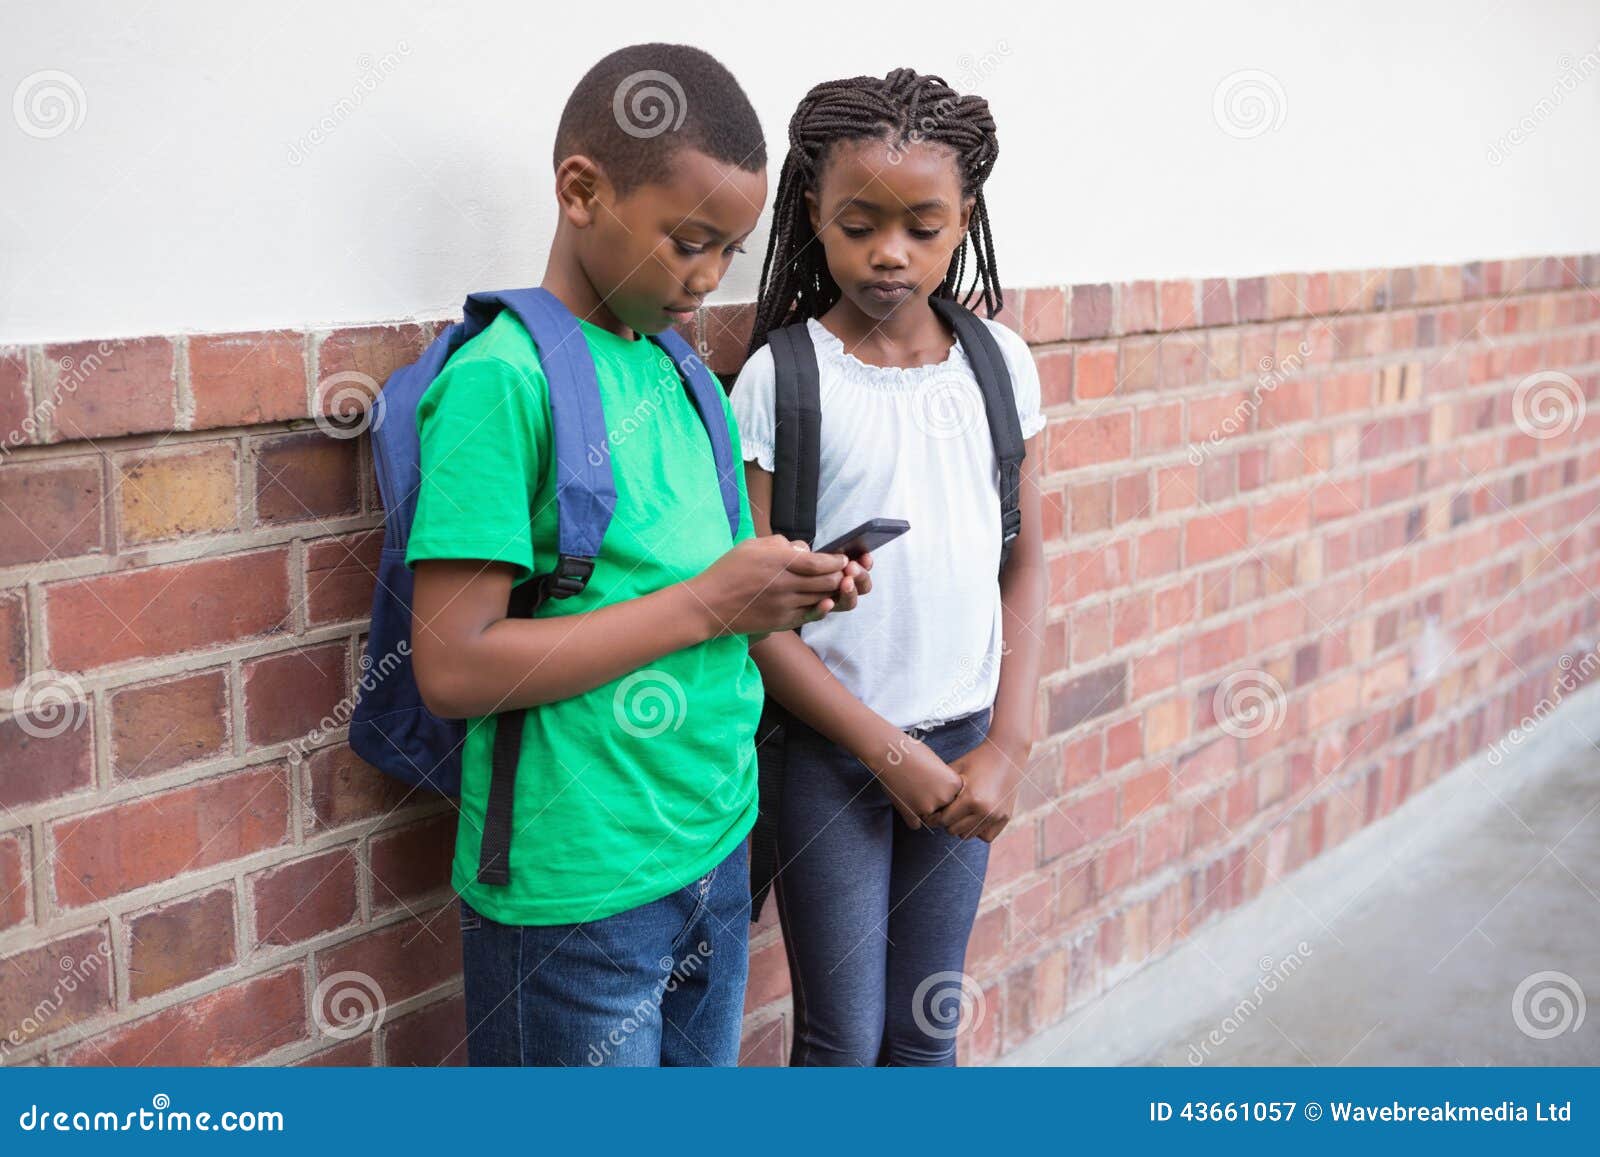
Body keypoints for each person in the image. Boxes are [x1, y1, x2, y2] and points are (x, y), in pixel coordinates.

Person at [404, 42, 870, 1066]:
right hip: (579, 892)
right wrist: (710, 605)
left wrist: (783, 590)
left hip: (709, 844)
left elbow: (695, 585)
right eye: (686, 243)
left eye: (727, 254)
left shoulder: (682, 371)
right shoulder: (503, 381)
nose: (704, 281)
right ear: (581, 190)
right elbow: (452, 663)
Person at [730, 68, 1047, 1065]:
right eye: (858, 222)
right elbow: (754, 618)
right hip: (830, 754)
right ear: (811, 214)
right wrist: (879, 746)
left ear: (964, 221)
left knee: (923, 1026)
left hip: (961, 747)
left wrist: (1009, 742)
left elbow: (1027, 558)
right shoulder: (782, 378)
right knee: (842, 1032)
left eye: (922, 224)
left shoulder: (999, 362)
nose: (889, 251)